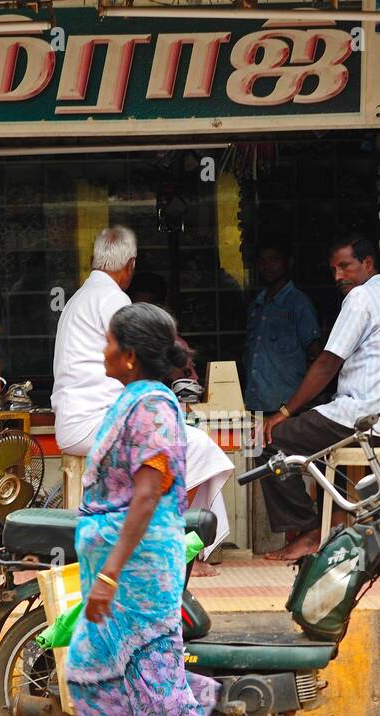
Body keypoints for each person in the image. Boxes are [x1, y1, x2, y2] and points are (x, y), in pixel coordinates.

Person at [67, 302, 234, 716]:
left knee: (152, 683)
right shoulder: (131, 400)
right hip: (118, 569)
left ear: (131, 356)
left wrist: (109, 574)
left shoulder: (154, 409)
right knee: (91, 669)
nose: (103, 351)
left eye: (111, 343)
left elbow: (146, 496)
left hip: (138, 574)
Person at [52, 227, 233, 559]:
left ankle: (191, 542)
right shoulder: (113, 299)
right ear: (130, 265)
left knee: (189, 444)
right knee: (198, 446)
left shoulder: (78, 299)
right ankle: (187, 546)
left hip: (78, 421)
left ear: (95, 259)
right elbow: (134, 363)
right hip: (93, 423)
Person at [258, 234, 380, 561]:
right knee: (317, 433)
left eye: (345, 266)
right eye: (334, 269)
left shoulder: (361, 298)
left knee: (272, 439)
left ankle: (308, 532)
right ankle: (333, 523)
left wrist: (285, 411)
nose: (338, 276)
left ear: (367, 263)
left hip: (367, 419)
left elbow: (327, 362)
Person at [243, 237, 321, 414]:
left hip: (287, 408)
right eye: (262, 261)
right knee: (254, 442)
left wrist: (301, 402)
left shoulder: (299, 304)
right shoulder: (256, 306)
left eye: (274, 259)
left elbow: (315, 356)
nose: (267, 266)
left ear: (289, 262)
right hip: (254, 405)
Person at [128, 271, 197, 383]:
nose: (143, 317)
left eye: (149, 310)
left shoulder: (176, 345)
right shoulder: (125, 344)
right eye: (137, 311)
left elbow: (189, 387)